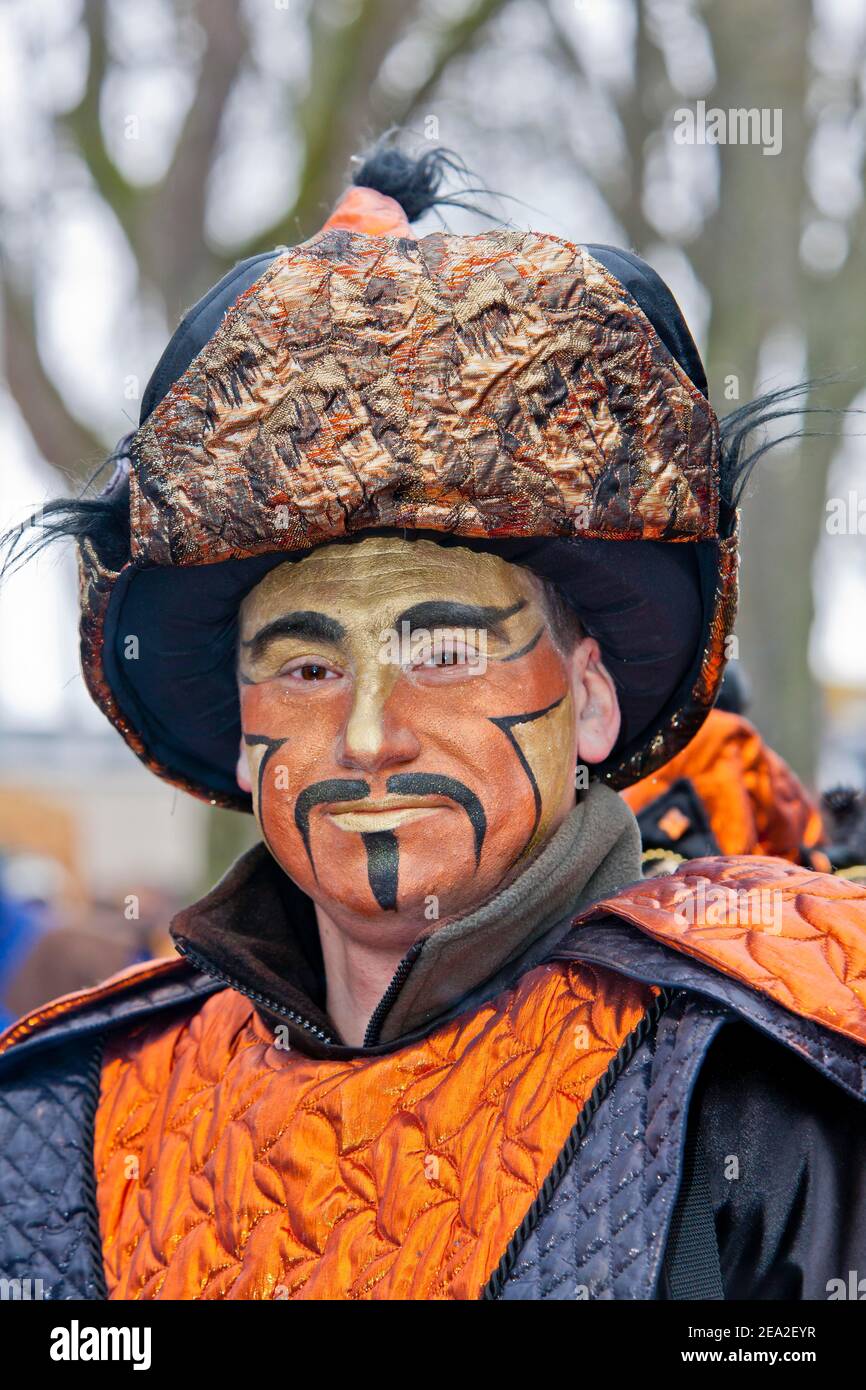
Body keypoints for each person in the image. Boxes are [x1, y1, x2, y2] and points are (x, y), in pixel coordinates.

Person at [1, 145, 864, 1302]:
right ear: (245, 729)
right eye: (305, 664)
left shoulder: (767, 1101)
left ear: (592, 697)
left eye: (445, 654)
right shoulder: (63, 1120)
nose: (367, 735)